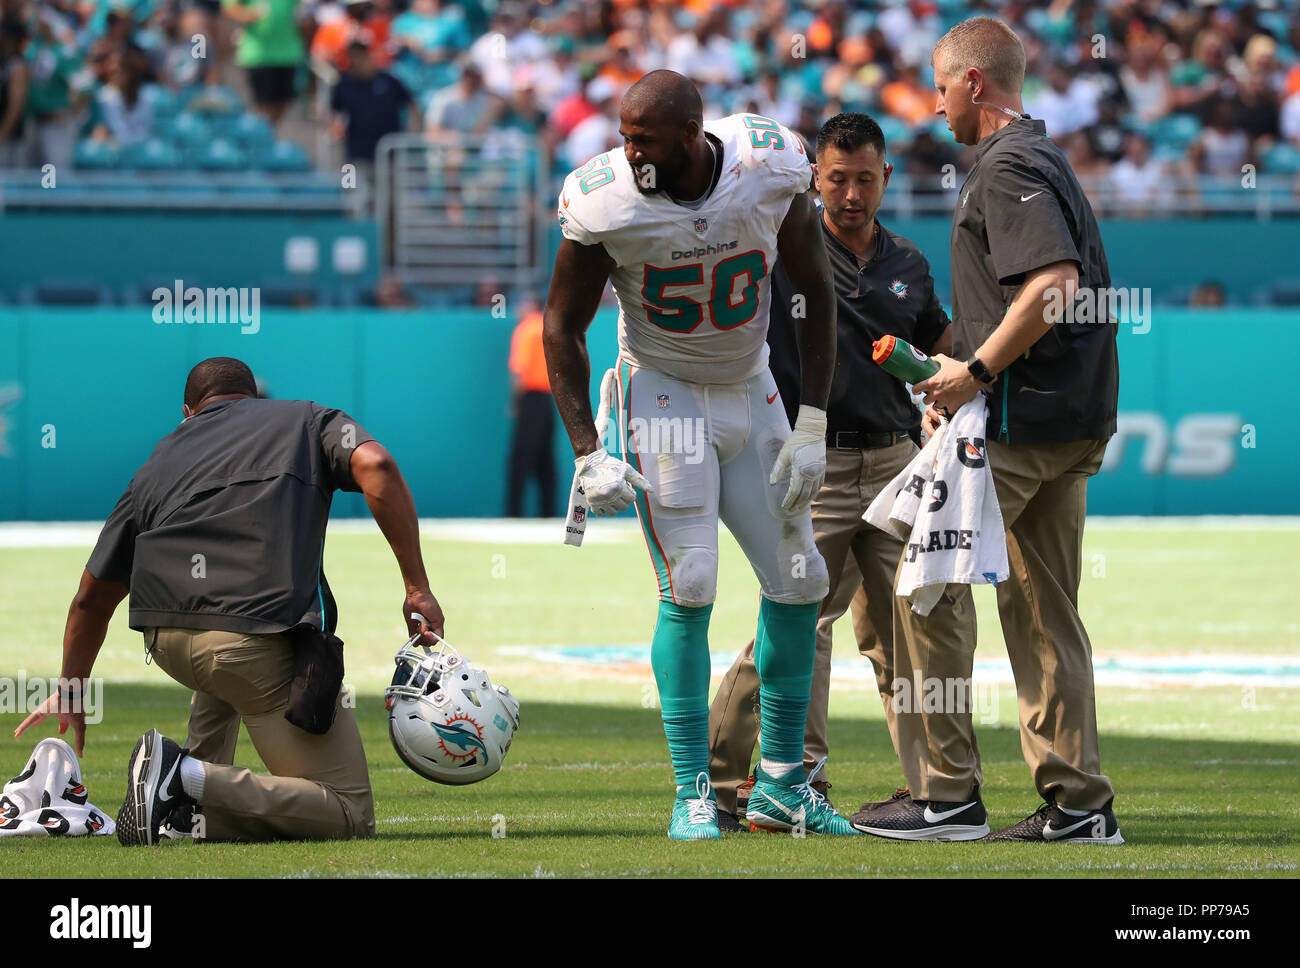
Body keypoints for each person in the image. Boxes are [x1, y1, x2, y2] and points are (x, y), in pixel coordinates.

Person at [543, 70, 855, 840]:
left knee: (800, 577)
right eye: (622, 133)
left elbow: (814, 294)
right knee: (691, 581)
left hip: (751, 389)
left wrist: (812, 420)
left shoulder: (767, 166)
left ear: (690, 135)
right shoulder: (605, 200)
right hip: (664, 391)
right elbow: (561, 326)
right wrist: (587, 451)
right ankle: (692, 790)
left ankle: (782, 784)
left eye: (641, 137)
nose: (627, 150)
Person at [854, 16, 1123, 844]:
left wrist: (975, 374)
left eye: (940, 86)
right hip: (1063, 421)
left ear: (974, 82)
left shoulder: (1009, 165)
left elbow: (1050, 284)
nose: (935, 107)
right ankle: (1079, 805)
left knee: (917, 572)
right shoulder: (1043, 159)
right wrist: (958, 370)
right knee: (1045, 611)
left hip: (1016, 418)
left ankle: (945, 795)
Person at [15, 358, 445, 845]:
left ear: (187, 412)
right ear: (254, 401)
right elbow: (377, 464)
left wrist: (72, 686)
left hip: (169, 641)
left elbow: (91, 599)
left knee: (220, 660)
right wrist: (416, 587)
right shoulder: (305, 420)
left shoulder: (156, 464)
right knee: (347, 810)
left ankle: (181, 811)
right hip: (250, 641)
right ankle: (182, 777)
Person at [707, 113, 957, 833]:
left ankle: (933, 791)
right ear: (815, 177)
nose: (852, 193)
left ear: (886, 179)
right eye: (838, 178)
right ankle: (732, 779)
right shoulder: (782, 250)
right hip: (809, 459)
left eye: (865, 179)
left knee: (908, 630)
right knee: (792, 625)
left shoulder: (908, 262)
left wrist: (953, 387)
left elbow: (940, 343)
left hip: (895, 460)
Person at [505, 297, 556, 518]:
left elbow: (520, 371)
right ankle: (549, 513)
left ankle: (513, 513)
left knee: (519, 458)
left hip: (531, 398)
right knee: (545, 459)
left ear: (531, 306)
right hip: (548, 400)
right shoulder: (547, 328)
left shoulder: (525, 330)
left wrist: (516, 402)